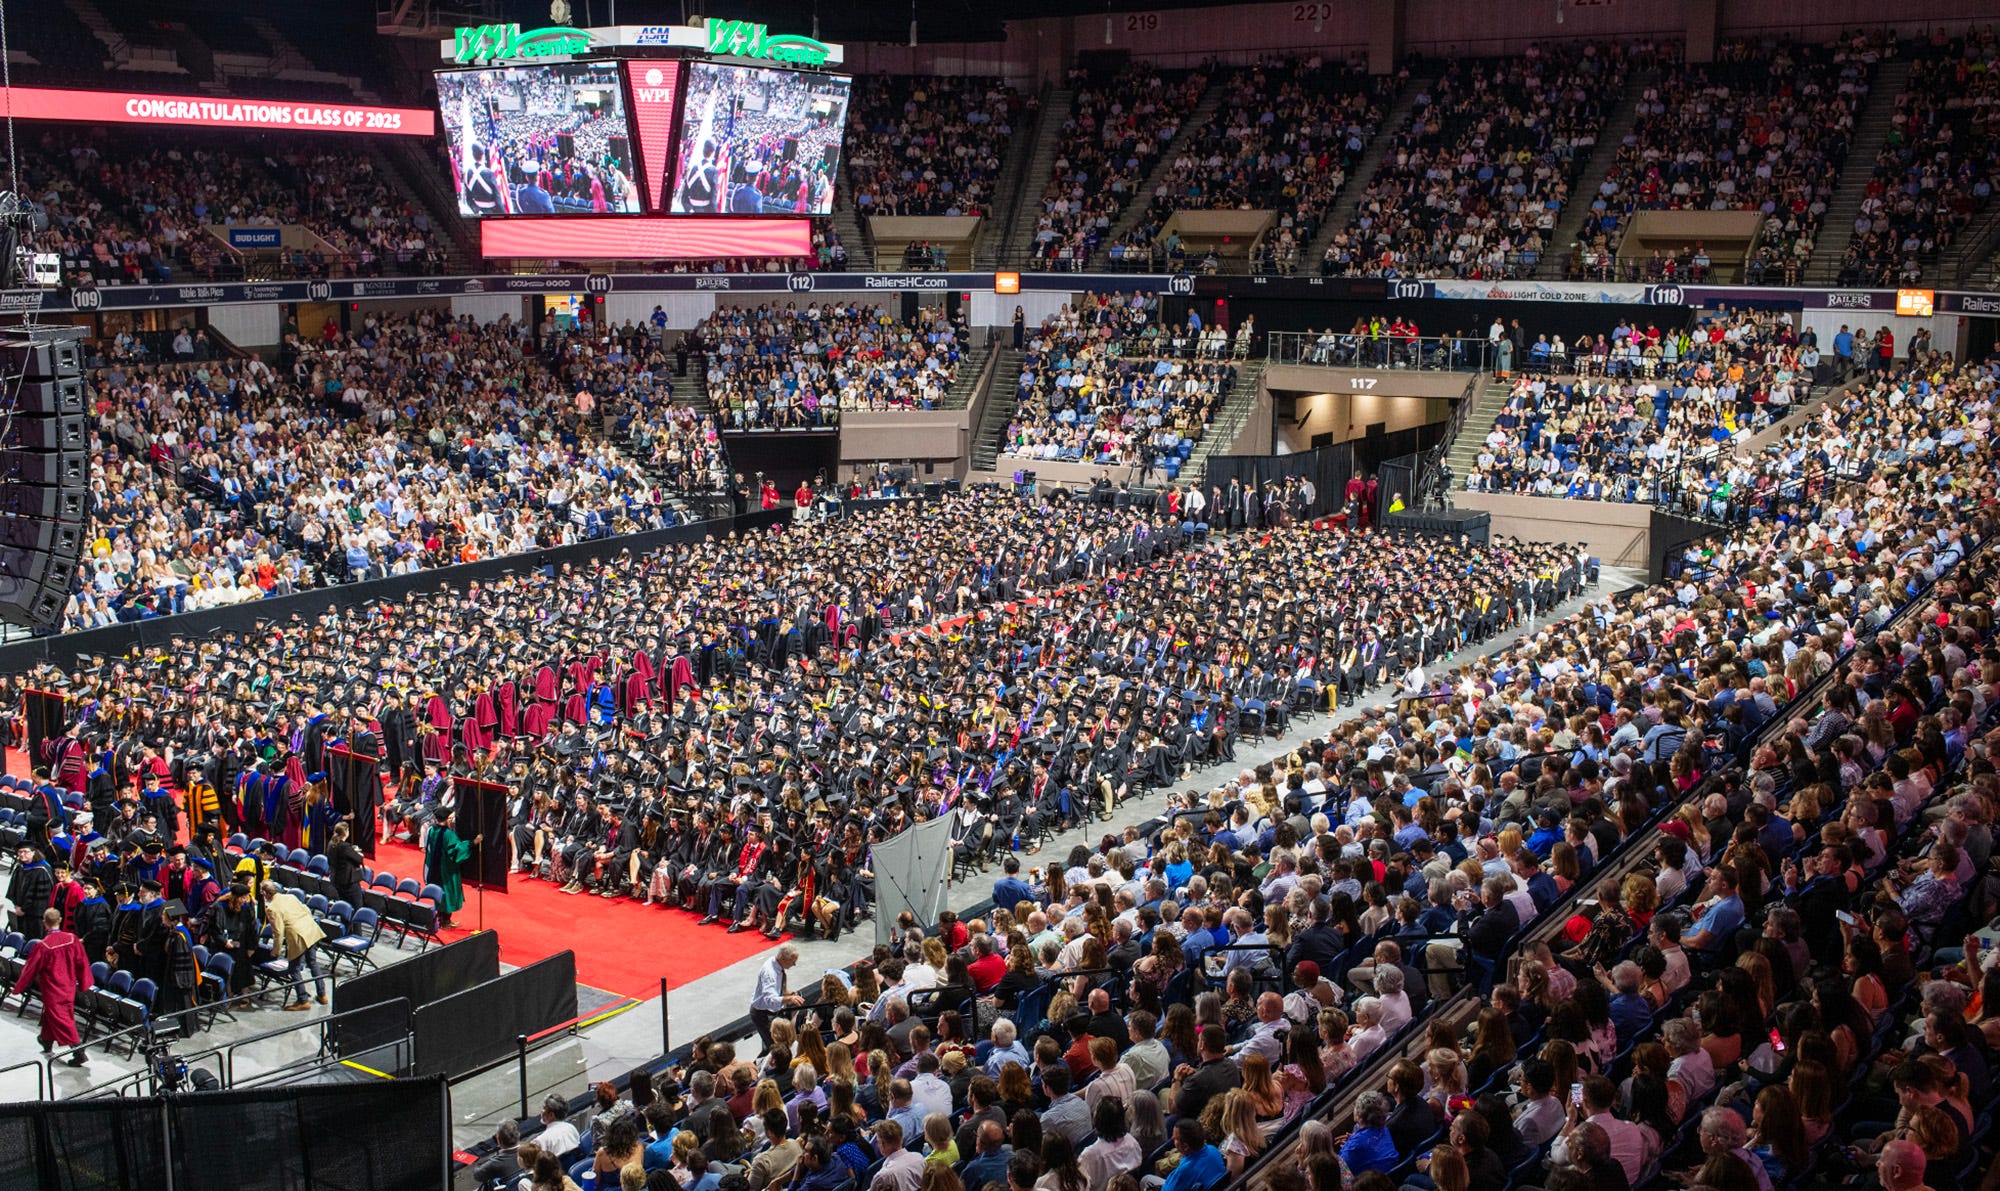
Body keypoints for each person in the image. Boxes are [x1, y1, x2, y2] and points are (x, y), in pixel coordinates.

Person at [13, 907, 90, 1064]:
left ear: (44, 923)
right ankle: (46, 1040)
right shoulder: (72, 938)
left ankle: (79, 1051)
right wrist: (83, 982)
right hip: (68, 986)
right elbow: (82, 962)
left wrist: (19, 987)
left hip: (53, 988)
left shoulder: (44, 946)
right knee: (53, 1014)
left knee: (62, 1018)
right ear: (60, 920)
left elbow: (30, 969)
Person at [259, 880, 327, 1010]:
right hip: (310, 929)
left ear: (265, 894)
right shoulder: (290, 896)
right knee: (312, 963)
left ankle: (303, 1000)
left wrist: (276, 950)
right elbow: (306, 910)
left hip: (298, 936)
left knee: (293, 968)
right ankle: (322, 994)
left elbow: (278, 932)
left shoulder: (272, 908)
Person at [424, 808, 481, 929]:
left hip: (434, 868)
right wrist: (473, 842)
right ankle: (445, 922)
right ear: (448, 819)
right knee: (447, 895)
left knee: (439, 894)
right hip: (446, 870)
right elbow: (456, 850)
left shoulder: (432, 830)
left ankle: (441, 919)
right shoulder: (448, 834)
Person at [752, 944, 805, 1053]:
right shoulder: (770, 973)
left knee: (775, 1043)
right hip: (763, 1014)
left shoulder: (776, 965)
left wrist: (787, 993)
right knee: (775, 1046)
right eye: (792, 961)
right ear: (783, 958)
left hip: (771, 1011)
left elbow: (776, 991)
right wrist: (789, 998)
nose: (794, 964)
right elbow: (770, 1000)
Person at [1159, 1118, 1222, 1191]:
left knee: (1146, 1179)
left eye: (1175, 1138)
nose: (1172, 1138)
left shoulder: (1185, 1170)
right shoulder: (1213, 1150)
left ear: (1185, 1146)